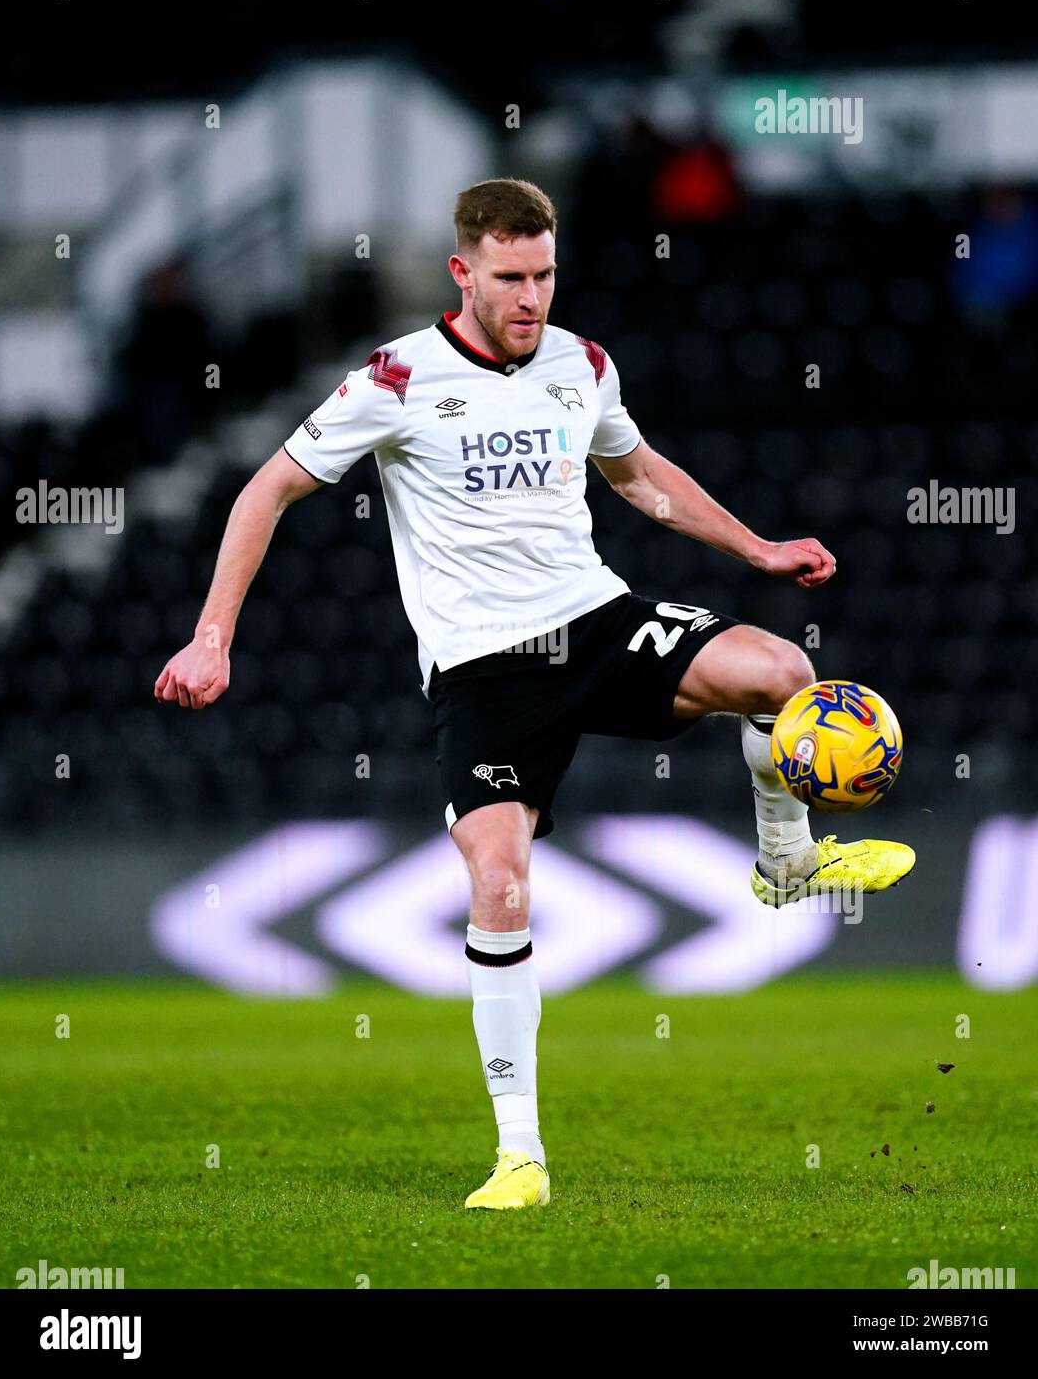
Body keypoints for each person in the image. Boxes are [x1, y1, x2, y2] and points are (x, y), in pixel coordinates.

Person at [154, 177, 915, 1211]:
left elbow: (638, 476)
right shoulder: (394, 378)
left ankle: (785, 864)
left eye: (545, 274)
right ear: (462, 272)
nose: (531, 297)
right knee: (500, 882)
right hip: (483, 668)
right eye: (510, 277)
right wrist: (212, 639)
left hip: (596, 621)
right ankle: (521, 1156)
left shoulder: (580, 363)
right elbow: (267, 488)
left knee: (780, 672)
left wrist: (756, 545)